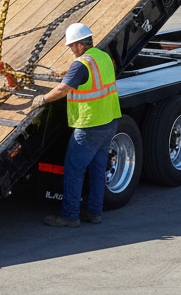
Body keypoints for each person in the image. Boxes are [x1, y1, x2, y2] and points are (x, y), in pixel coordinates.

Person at [33, 23, 121, 227]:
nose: (71, 50)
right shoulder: (103, 56)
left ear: (80, 45)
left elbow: (62, 90)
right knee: (98, 170)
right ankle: (94, 213)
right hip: (110, 120)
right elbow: (93, 76)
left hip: (90, 125)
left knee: (74, 169)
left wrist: (43, 99)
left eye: (72, 46)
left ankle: (70, 216)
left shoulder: (81, 64)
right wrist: (68, 72)